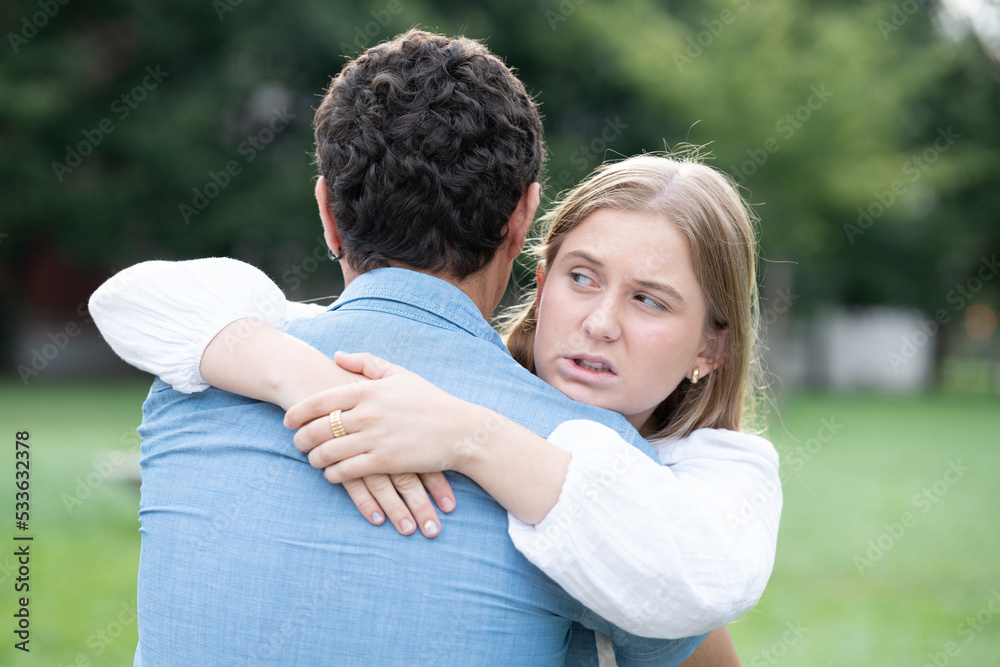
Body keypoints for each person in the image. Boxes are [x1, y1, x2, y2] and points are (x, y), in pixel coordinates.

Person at [92, 30, 778, 666]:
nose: (601, 323)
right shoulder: (599, 474)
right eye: (582, 277)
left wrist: (466, 434)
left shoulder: (190, 381)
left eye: (650, 299)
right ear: (525, 227)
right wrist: (302, 379)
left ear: (327, 212)